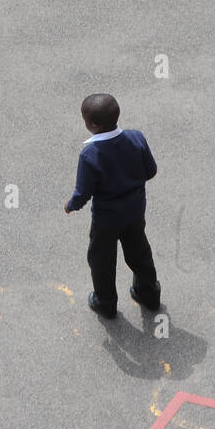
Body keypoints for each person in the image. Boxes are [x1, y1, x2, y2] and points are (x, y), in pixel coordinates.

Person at [64, 94, 162, 318]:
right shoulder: (136, 138)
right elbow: (151, 171)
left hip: (106, 220)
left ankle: (105, 303)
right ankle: (148, 294)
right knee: (139, 253)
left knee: (102, 261)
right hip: (135, 212)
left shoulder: (90, 155)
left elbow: (83, 192)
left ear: (93, 125)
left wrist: (71, 205)